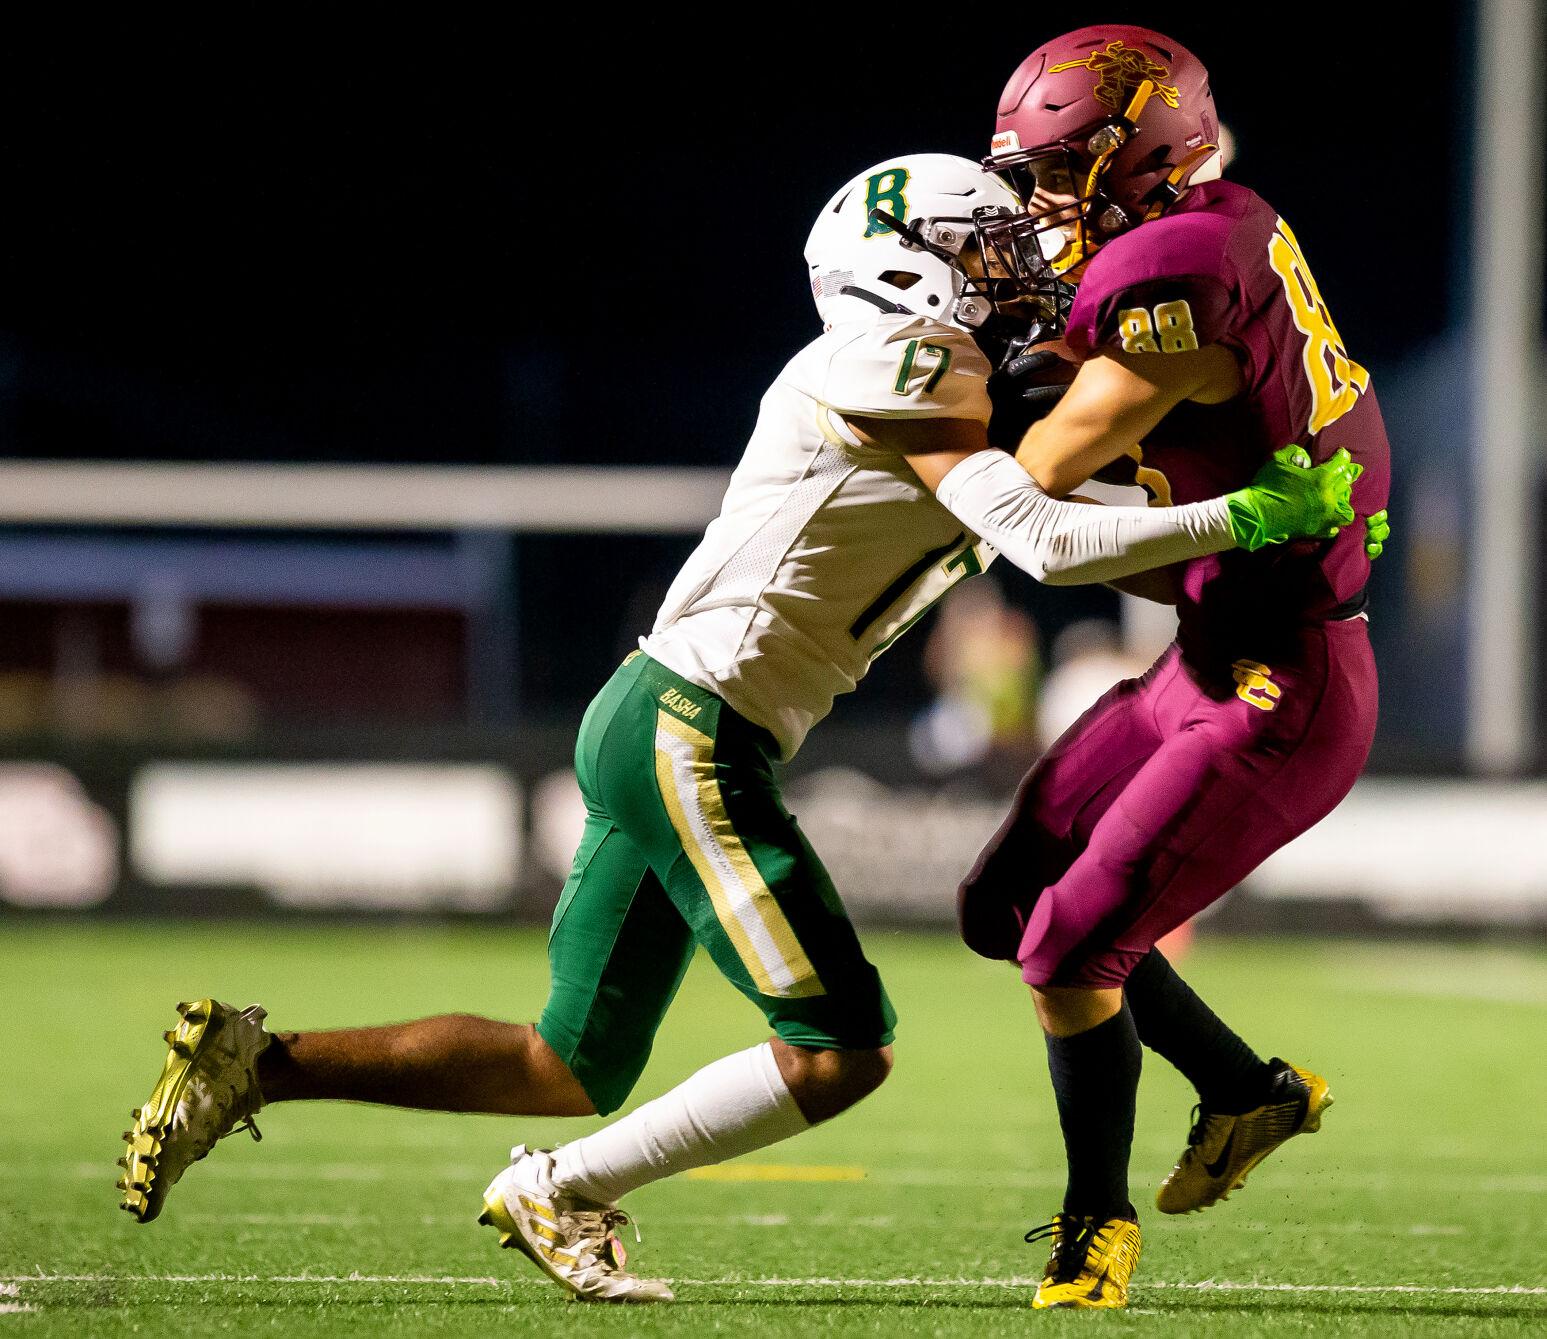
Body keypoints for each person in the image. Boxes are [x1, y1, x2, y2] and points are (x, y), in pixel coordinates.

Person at [117, 153, 1362, 1305]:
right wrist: (1248, 517)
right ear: (908, 268)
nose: (1020, 265)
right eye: (983, 248)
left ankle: (254, 1063)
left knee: (565, 1063)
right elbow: (1040, 536)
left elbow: (1076, 514)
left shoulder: (942, 376)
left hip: (662, 713)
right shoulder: (898, 359)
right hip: (690, 722)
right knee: (841, 1049)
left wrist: (1219, 526)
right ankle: (560, 1189)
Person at [956, 25, 1393, 1310]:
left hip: (1280, 689)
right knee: (1003, 906)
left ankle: (1095, 1222)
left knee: (1063, 951)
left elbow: (1031, 494)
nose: (1040, 204)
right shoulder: (1213, 225)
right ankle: (1247, 1090)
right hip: (1205, 650)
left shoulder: (1171, 279)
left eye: (1057, 172)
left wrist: (926, 391)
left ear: (1139, 159)